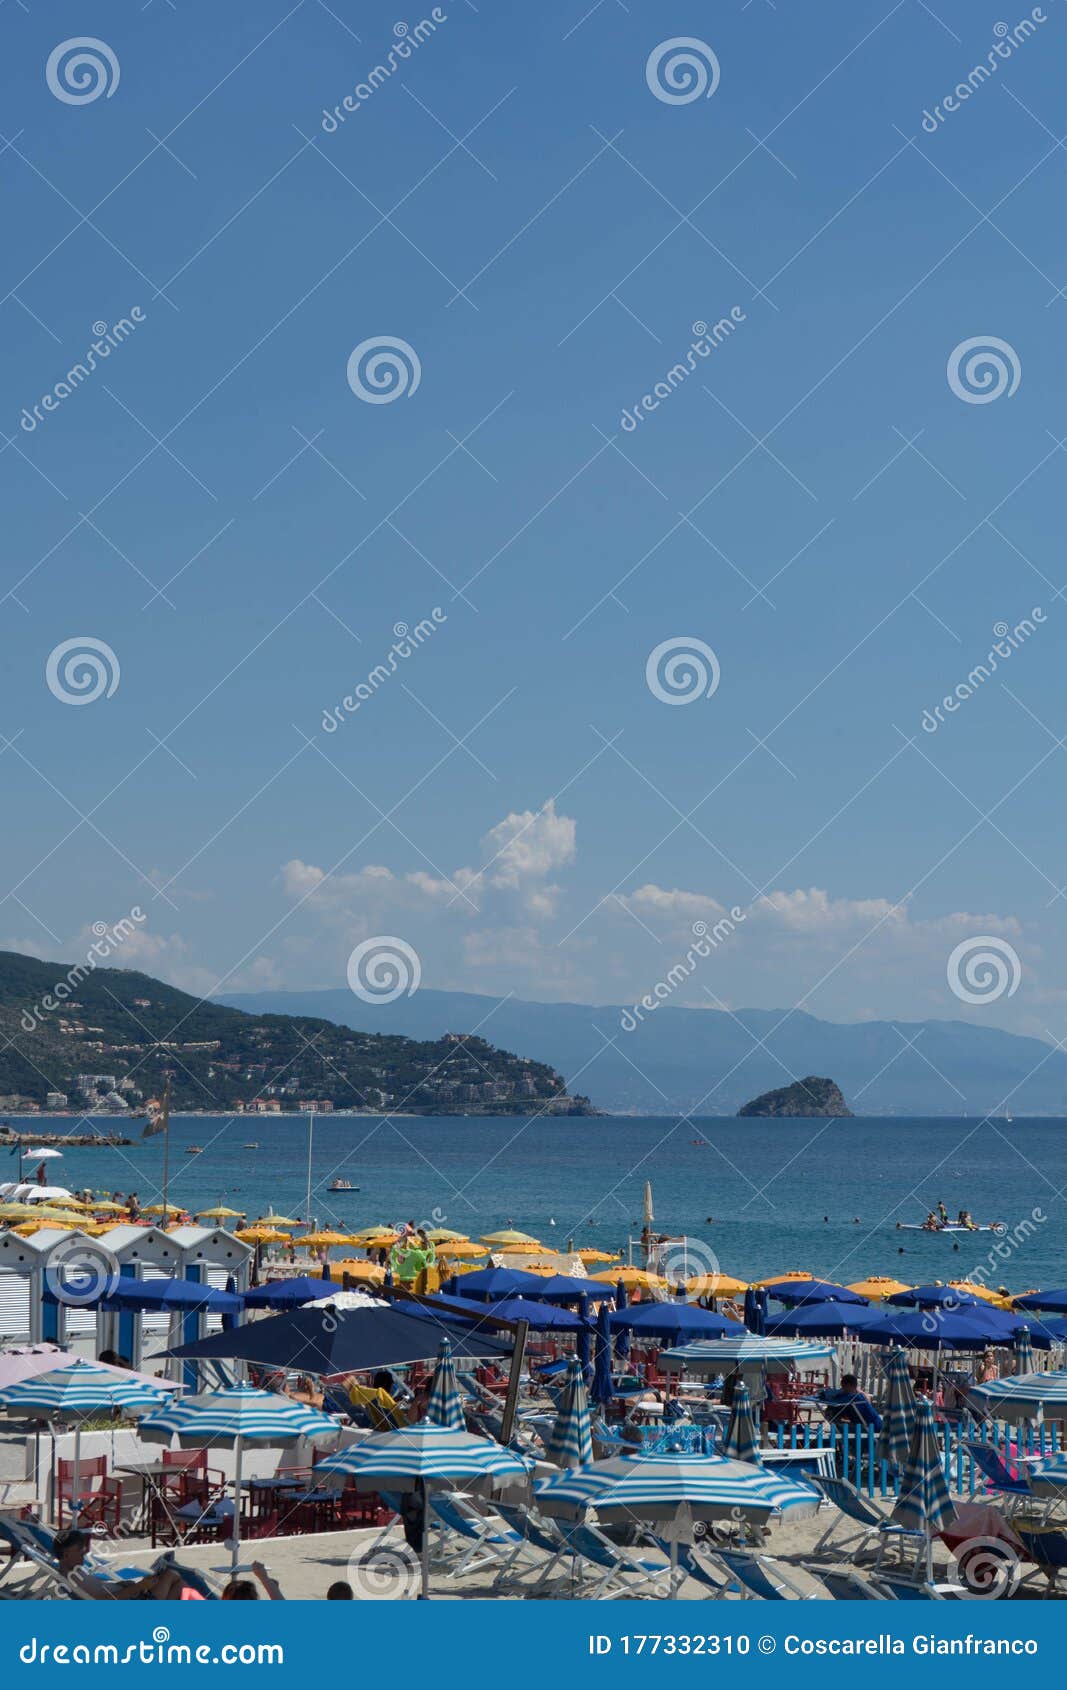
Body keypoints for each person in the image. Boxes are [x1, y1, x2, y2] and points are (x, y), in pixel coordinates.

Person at [53, 1529, 185, 1600]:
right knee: (172, 1574)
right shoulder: (72, 1578)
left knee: (177, 1584)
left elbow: (99, 1587)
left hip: (133, 1597)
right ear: (66, 1555)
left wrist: (120, 1584)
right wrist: (139, 1587)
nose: (84, 1552)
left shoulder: (74, 1571)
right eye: (80, 1550)